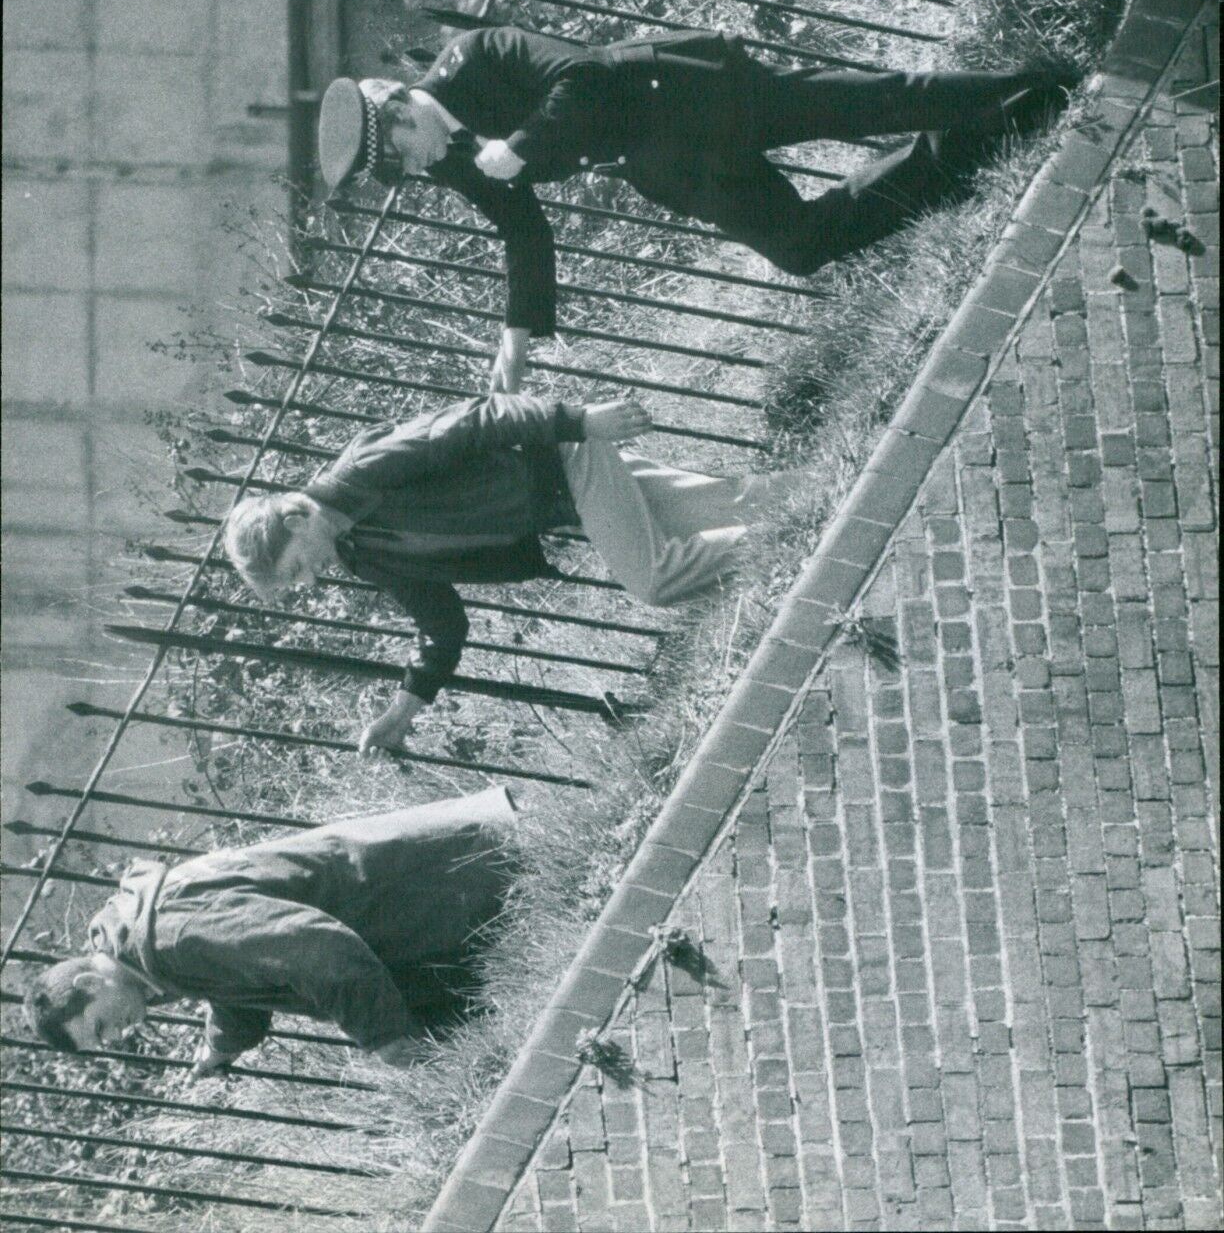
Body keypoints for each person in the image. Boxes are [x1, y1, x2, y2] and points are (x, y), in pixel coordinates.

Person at [318, 24, 1072, 392]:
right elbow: (519, 226)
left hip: (691, 91)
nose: (416, 173)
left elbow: (582, 74)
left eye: (402, 159)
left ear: (401, 115)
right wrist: (518, 334)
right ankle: (965, 148)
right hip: (672, 162)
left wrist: (521, 141)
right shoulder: (446, 157)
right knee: (799, 246)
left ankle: (1034, 84)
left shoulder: (476, 56)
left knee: (866, 102)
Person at [221, 391, 807, 754]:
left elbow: (481, 418)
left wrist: (579, 421)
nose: (311, 582)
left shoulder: (366, 467)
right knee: (737, 504)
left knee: (656, 578)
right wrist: (402, 712)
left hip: (568, 456)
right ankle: (829, 489)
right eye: (297, 584)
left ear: (297, 516)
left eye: (297, 569)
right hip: (564, 500)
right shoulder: (361, 553)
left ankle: (797, 536)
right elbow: (442, 624)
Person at [24, 790, 519, 1074]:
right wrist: (222, 1046)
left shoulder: (172, 938)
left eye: (102, 1028)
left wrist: (387, 1038)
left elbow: (320, 951)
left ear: (90, 984)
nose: (119, 1036)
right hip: (441, 876)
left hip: (475, 875)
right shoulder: (145, 943)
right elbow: (238, 976)